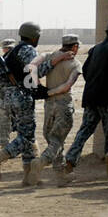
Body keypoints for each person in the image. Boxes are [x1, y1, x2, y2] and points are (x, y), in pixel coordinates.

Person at [0, 22, 70, 187]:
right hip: (22, 97)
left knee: (25, 134)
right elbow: (37, 70)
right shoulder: (28, 50)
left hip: (8, 98)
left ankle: (28, 177)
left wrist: (2, 101)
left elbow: (1, 79)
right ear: (34, 36)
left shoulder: (13, 52)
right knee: (27, 138)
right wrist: (57, 59)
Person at [63, 19, 108, 175]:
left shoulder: (95, 49)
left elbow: (86, 70)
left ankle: (70, 160)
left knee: (85, 130)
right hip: (107, 99)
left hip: (91, 97)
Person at [39, 34, 81, 180]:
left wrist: (45, 92)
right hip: (63, 104)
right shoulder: (75, 63)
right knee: (57, 139)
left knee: (51, 137)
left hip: (49, 104)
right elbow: (67, 86)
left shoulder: (51, 57)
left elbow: (36, 72)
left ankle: (61, 173)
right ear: (75, 46)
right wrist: (51, 92)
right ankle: (41, 161)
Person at [0, 37, 16, 149]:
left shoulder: (2, 65)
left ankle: (5, 149)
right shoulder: (20, 62)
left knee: (3, 123)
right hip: (16, 98)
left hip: (7, 98)